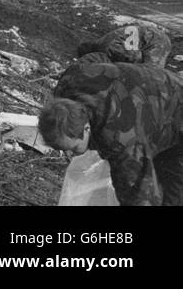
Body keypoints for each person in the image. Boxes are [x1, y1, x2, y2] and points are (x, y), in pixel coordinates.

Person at [40, 61, 183, 205]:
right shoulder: (66, 86)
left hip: (176, 114)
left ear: (86, 128)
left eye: (74, 148)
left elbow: (140, 193)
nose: (71, 155)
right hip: (154, 96)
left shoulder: (120, 139)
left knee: (173, 188)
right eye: (65, 150)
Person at [77, 23, 172, 67]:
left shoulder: (107, 48)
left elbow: (134, 57)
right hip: (152, 36)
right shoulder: (103, 41)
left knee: (152, 74)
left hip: (155, 40)